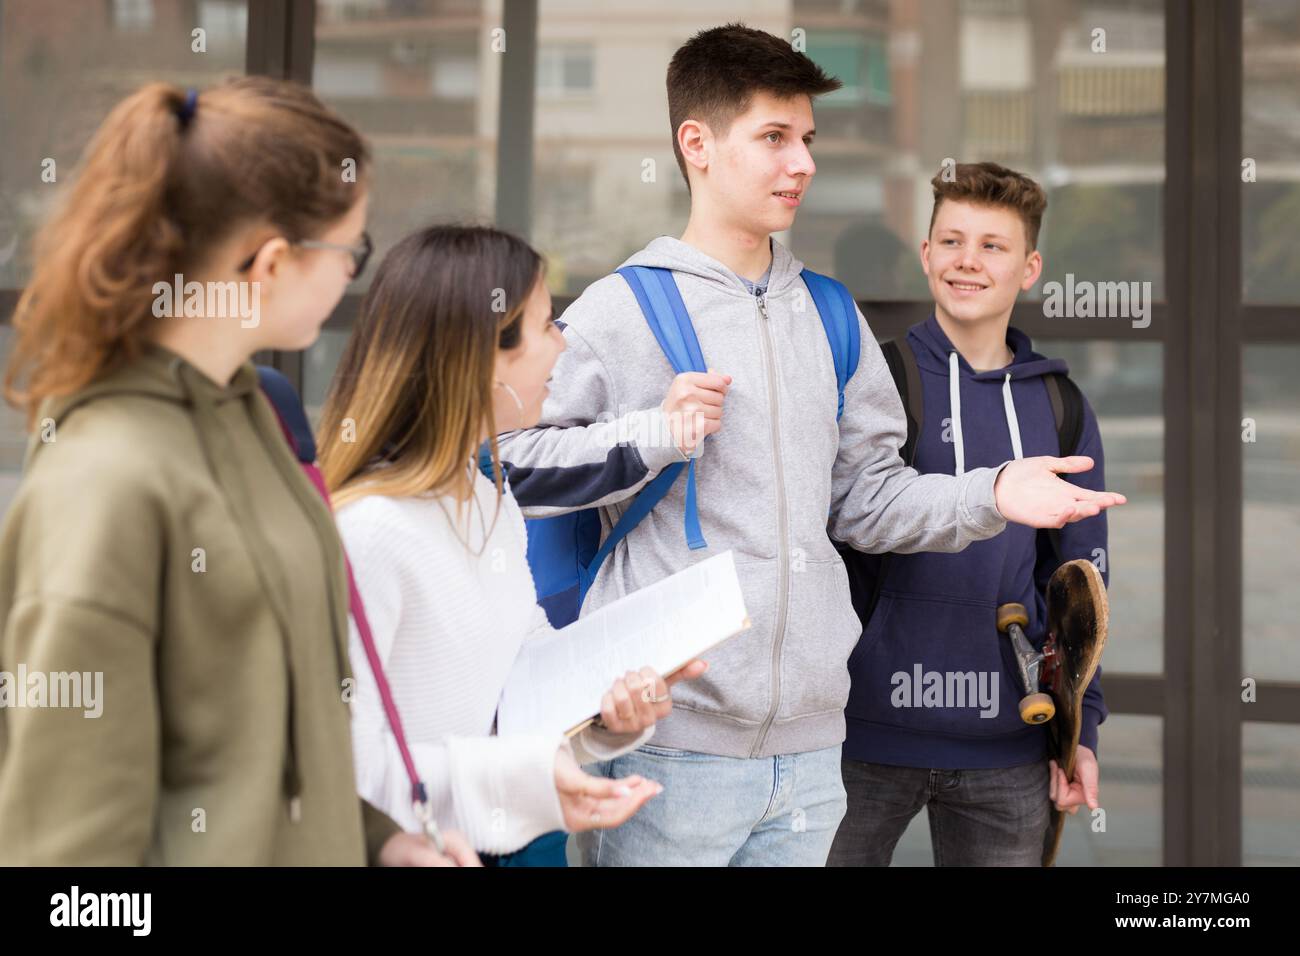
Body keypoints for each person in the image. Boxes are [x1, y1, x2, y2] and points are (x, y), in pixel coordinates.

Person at [496, 23, 1126, 866]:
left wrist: (993, 492)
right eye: (774, 138)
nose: (804, 163)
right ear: (698, 144)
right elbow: (510, 467)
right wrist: (651, 435)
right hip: (670, 746)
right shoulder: (622, 310)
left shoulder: (830, 315)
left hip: (812, 759)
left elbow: (867, 499)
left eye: (808, 141)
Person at [0, 78, 469, 865]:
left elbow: (252, 738)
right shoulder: (106, 479)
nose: (354, 272)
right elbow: (68, 869)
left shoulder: (253, 411)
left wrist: (375, 843)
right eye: (351, 251)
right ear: (272, 261)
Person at [317, 224, 706, 864]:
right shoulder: (369, 532)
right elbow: (345, 772)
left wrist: (610, 713)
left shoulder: (486, 498)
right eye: (548, 325)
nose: (563, 348)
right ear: (480, 358)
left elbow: (521, 679)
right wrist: (518, 779)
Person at [828, 162, 1108, 867]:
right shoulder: (876, 380)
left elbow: (1080, 588)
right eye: (951, 241)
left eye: (992, 245)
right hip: (857, 739)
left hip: (1008, 747)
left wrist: (1081, 732)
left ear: (1029, 266)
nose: (967, 261)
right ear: (925, 255)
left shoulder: (1061, 407)